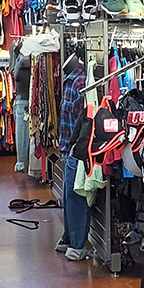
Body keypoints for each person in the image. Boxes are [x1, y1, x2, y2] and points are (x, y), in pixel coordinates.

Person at [55, 54, 90, 260]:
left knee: (76, 197)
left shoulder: (81, 82)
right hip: (67, 148)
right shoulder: (71, 80)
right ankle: (69, 237)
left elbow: (83, 119)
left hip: (76, 149)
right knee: (68, 196)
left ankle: (77, 244)